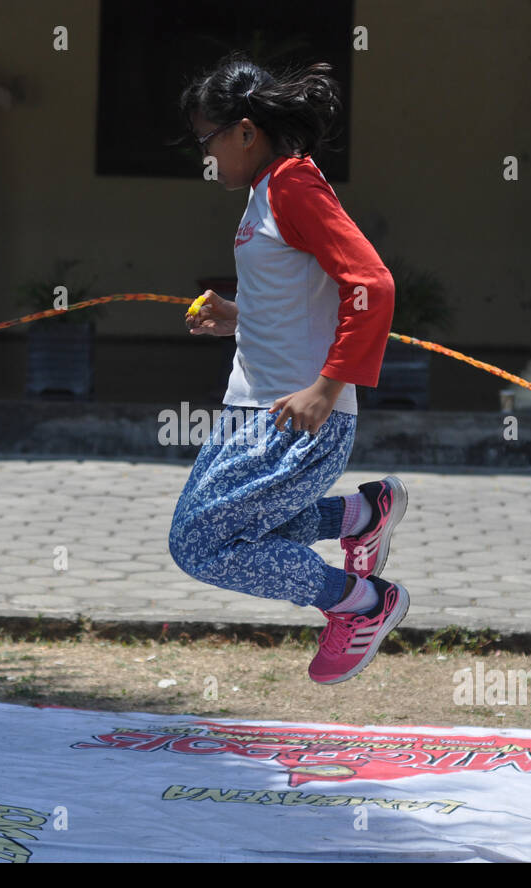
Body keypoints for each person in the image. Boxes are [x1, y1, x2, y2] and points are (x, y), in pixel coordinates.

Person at [168, 57, 408, 685]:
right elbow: (300, 301)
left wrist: (327, 388)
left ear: (244, 132)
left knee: (200, 544)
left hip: (293, 418)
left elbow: (372, 285)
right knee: (241, 530)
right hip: (252, 409)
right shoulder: (264, 190)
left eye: (206, 140)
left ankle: (363, 603)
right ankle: (359, 515)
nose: (205, 157)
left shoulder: (294, 184)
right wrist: (238, 316)